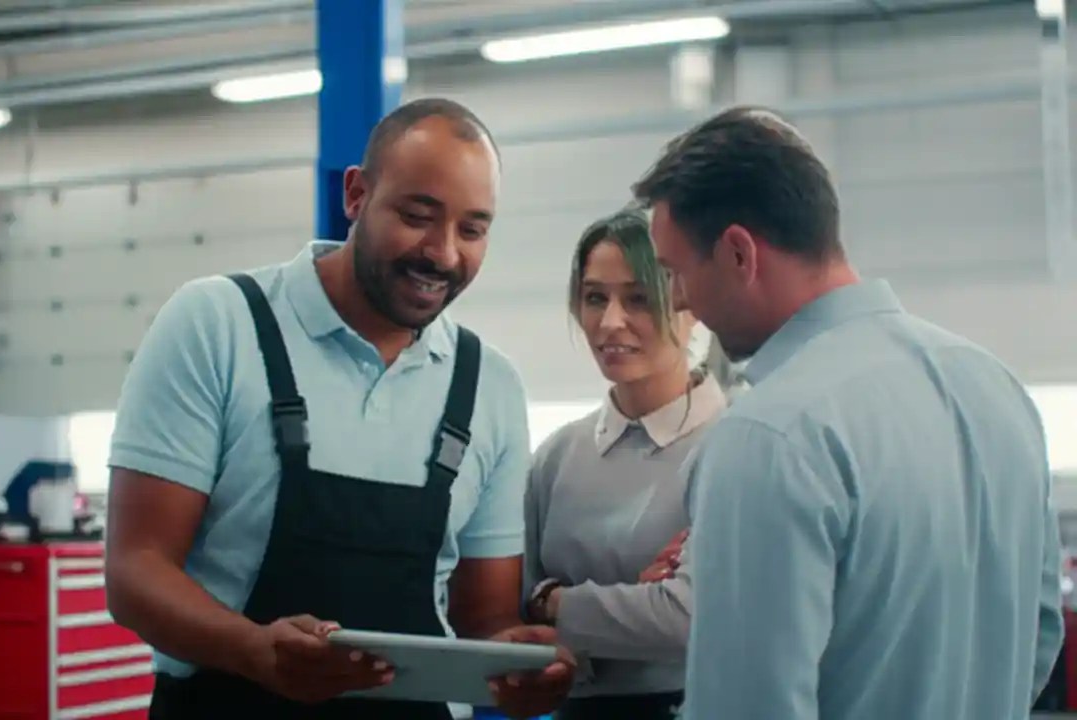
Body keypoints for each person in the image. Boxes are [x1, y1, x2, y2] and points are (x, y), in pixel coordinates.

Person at [102, 97, 574, 720]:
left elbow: (482, 618)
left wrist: (517, 664)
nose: (443, 253)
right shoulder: (218, 325)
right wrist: (254, 652)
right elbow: (136, 570)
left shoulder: (490, 385)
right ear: (356, 194)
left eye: (472, 230)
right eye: (417, 216)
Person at [631, 106, 1063, 720]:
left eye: (675, 272)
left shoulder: (770, 435)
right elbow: (1037, 640)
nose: (679, 301)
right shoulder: (996, 387)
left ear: (738, 254)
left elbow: (748, 708)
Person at [520, 207, 726, 720]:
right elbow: (513, 622)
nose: (611, 321)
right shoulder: (557, 456)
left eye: (638, 298)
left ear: (691, 303)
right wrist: (632, 607)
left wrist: (554, 602)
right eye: (595, 298)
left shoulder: (732, 446)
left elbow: (688, 619)